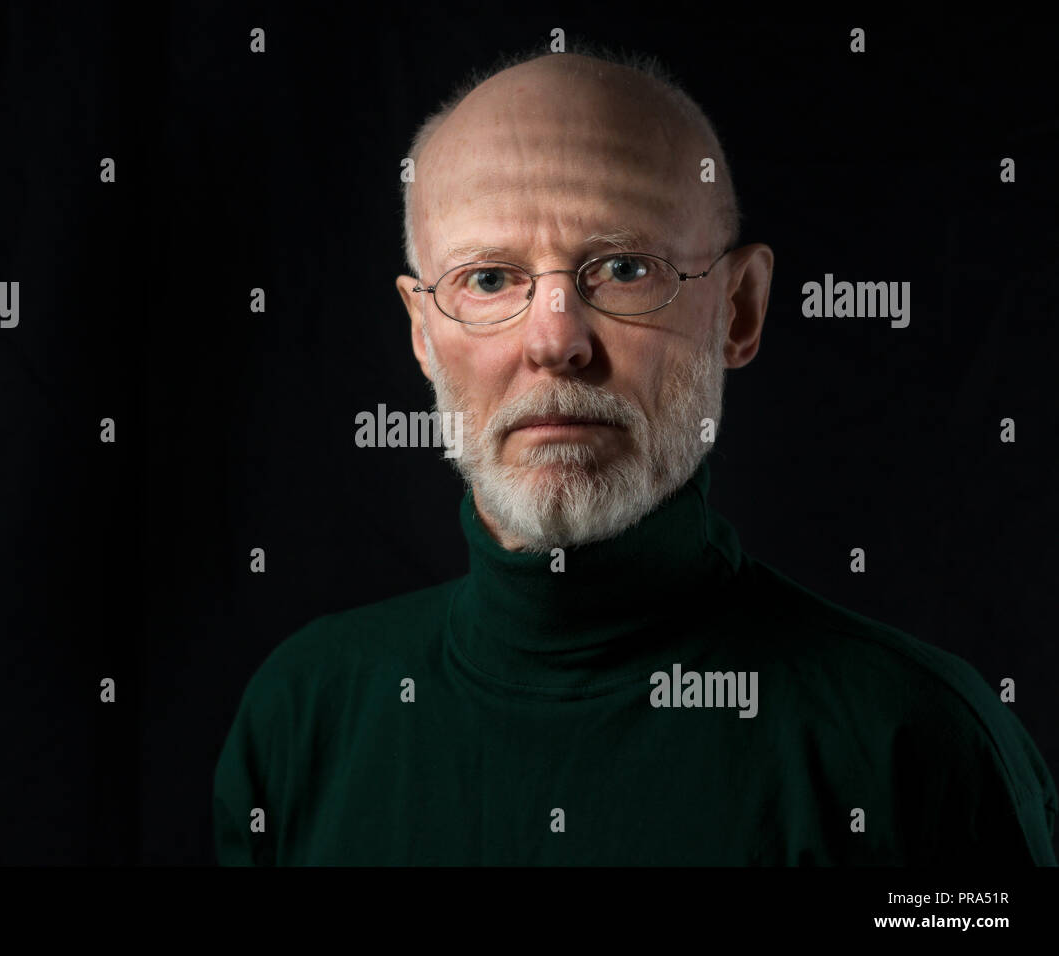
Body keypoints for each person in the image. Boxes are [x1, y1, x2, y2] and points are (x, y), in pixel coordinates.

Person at [213, 47, 1057, 865]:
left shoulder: (914, 747)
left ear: (738, 310)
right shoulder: (301, 721)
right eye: (489, 279)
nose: (554, 341)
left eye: (622, 267)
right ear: (423, 335)